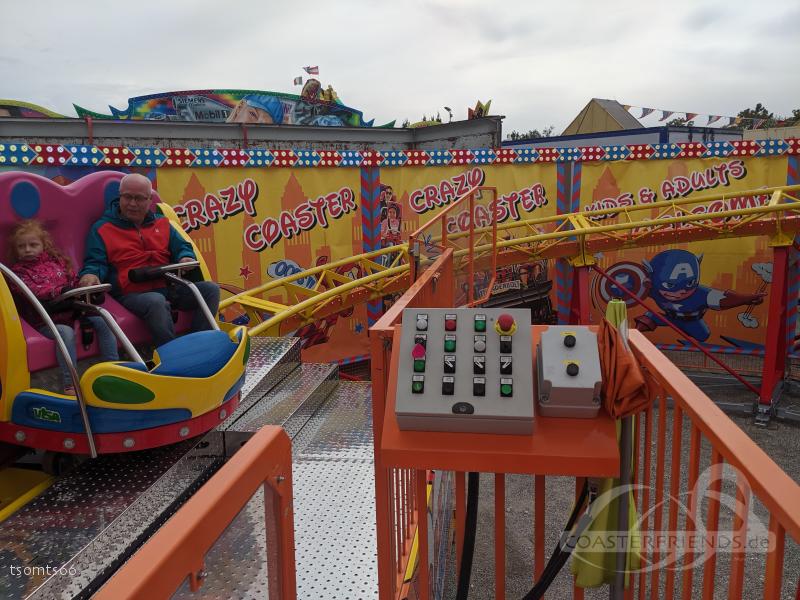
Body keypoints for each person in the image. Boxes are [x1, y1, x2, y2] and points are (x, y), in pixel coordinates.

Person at [78, 173, 220, 347]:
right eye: (127, 197)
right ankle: (171, 355)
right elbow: (95, 261)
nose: (132, 203)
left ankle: (200, 344)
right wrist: (91, 274)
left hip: (168, 287)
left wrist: (185, 257)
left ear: (149, 200)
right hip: (132, 293)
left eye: (138, 198)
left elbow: (183, 247)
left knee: (210, 289)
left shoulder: (163, 224)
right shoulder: (102, 228)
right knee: (155, 301)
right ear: (120, 196)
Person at [9, 220, 119, 395]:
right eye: (22, 247)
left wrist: (84, 286)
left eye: (33, 245)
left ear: (43, 245)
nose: (28, 250)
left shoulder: (58, 263)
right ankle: (71, 383)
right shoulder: (18, 273)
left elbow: (72, 280)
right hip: (45, 319)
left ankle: (114, 370)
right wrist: (63, 291)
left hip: (71, 312)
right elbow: (35, 291)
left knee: (105, 319)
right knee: (65, 333)